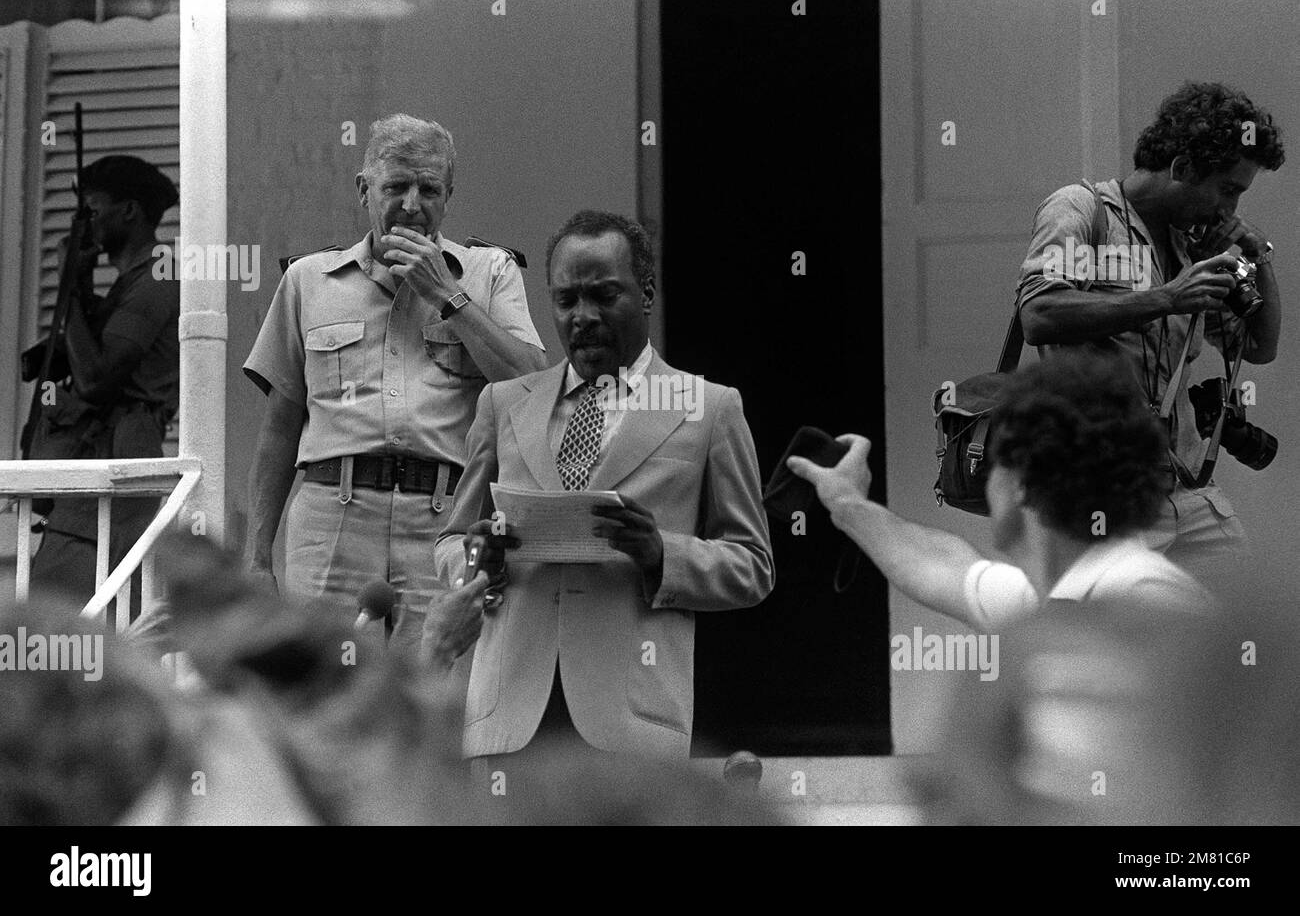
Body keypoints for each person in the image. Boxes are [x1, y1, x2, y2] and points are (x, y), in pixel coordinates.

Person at [433, 210, 774, 760]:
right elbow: (450, 546)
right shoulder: (502, 403)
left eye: (603, 296)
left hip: (633, 722)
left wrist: (662, 553)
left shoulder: (710, 408)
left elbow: (753, 566)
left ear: (645, 294)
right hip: (508, 716)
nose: (583, 317)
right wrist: (478, 555)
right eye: (566, 301)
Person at [242, 113, 547, 613]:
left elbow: (532, 388)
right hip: (331, 519)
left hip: (445, 521)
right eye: (396, 187)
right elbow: (279, 429)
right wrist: (257, 560)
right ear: (365, 191)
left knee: (434, 681)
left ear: (448, 195)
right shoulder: (308, 279)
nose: (411, 205)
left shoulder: (490, 273)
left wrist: (449, 296)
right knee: (322, 685)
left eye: (429, 189)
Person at [1016, 81, 1284, 590]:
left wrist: (1258, 255)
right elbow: (1039, 314)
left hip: (1185, 485)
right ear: (1182, 167)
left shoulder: (1193, 243)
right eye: (1228, 189)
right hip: (1101, 491)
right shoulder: (1082, 210)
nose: (1229, 209)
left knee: (1240, 630)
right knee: (1120, 645)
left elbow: (1257, 348)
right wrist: (1166, 298)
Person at [789, 353, 1209, 629]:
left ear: (1021, 484)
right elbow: (942, 566)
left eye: (993, 470)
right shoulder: (1060, 592)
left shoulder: (1146, 601)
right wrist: (847, 504)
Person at [29, 154, 180, 605]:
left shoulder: (158, 274)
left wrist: (70, 286)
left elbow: (96, 379)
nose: (85, 225)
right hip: (98, 464)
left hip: (113, 464)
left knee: (55, 614)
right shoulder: (129, 281)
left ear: (129, 211)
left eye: (93, 211)